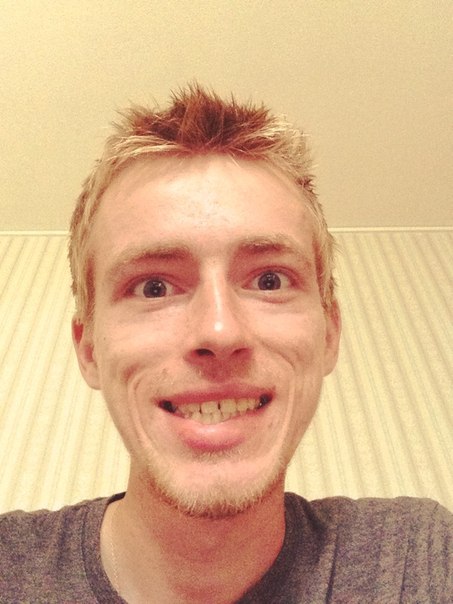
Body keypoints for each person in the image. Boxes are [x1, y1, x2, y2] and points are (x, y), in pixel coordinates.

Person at [0, 84, 451, 603]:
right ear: (89, 350)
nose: (220, 332)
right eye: (154, 287)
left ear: (330, 332)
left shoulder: (420, 561)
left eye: (269, 280)